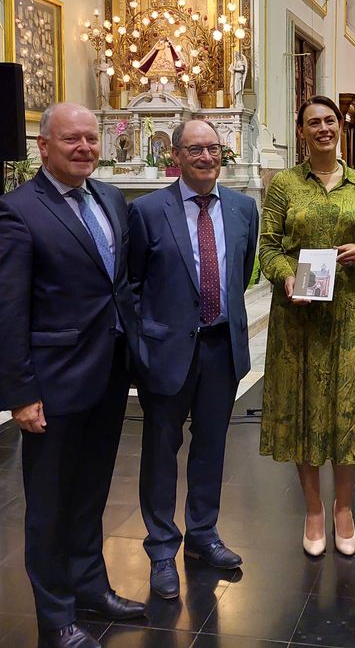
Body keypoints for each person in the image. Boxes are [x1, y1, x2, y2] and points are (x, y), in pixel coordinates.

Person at [0, 103, 145, 648]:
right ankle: (55, 614)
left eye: (91, 138)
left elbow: (118, 284)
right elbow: (9, 310)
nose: (85, 148)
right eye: (71, 140)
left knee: (91, 490)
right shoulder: (18, 210)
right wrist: (20, 393)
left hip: (108, 373)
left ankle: (90, 586)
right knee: (50, 503)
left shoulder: (109, 197)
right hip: (54, 380)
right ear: (43, 146)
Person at [128, 120, 258, 600]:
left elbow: (242, 272)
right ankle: (162, 548)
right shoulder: (146, 211)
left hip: (221, 347)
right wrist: (144, 346)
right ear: (176, 155)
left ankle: (203, 535)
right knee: (161, 452)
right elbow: (132, 285)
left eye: (213, 149)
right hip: (167, 351)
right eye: (196, 149)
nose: (206, 157)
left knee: (211, 447)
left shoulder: (243, 208)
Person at [259, 95, 355, 557]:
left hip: (345, 312)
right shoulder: (285, 185)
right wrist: (287, 275)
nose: (324, 128)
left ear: (339, 127)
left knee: (347, 409)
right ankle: (313, 509)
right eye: (314, 122)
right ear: (302, 132)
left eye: (330, 121)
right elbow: (268, 247)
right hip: (298, 315)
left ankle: (343, 508)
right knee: (304, 409)